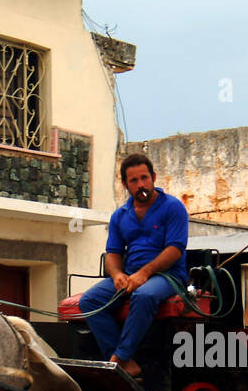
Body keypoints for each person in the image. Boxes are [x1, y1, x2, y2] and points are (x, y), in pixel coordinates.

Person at [78, 153, 189, 378]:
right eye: (134, 181)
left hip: (168, 276)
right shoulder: (120, 215)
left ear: (153, 177)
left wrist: (144, 273)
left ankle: (120, 357)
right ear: (125, 184)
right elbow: (113, 253)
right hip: (131, 275)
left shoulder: (173, 207)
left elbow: (175, 249)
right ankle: (121, 361)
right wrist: (117, 274)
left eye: (144, 178)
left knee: (145, 295)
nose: (141, 185)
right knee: (89, 301)